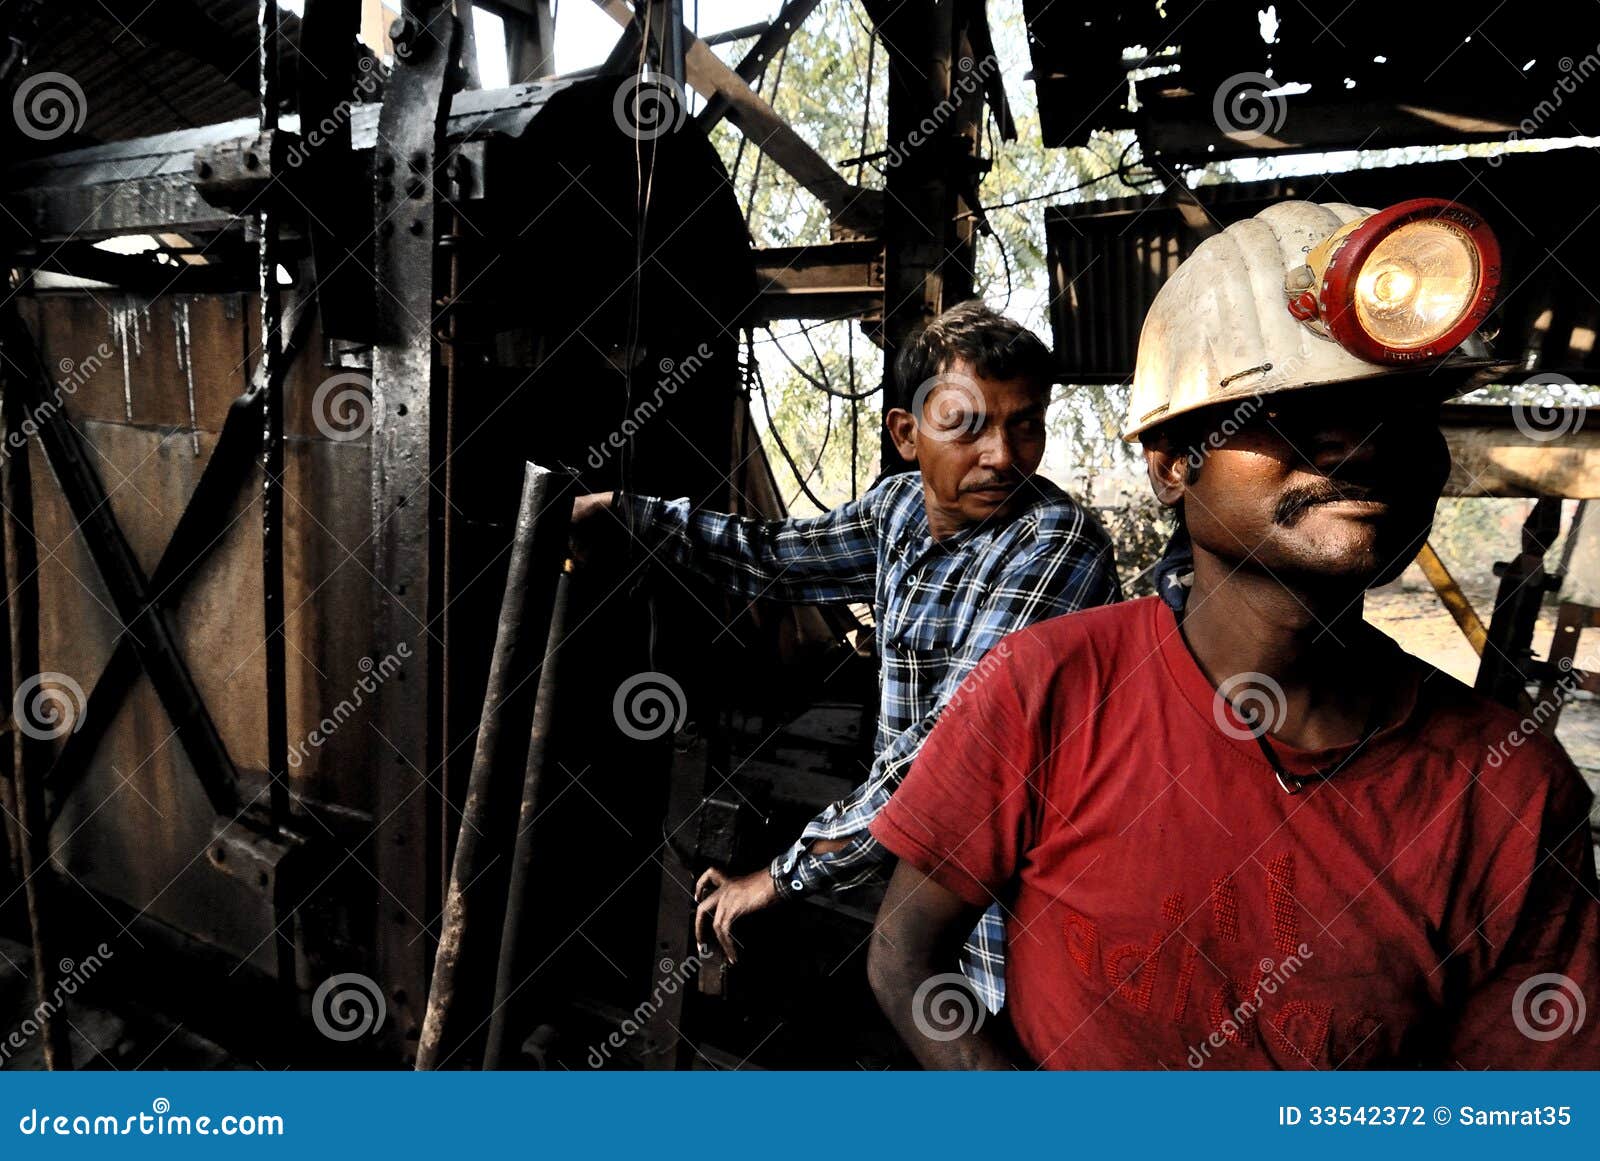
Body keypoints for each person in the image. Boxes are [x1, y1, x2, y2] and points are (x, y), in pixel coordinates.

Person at [867, 199, 1600, 1069]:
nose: (1355, 443)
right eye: (1287, 409)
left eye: (1392, 411)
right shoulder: (1046, 686)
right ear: (1173, 462)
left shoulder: (1509, 787)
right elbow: (905, 953)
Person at [570, 301, 1120, 1005]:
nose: (1002, 455)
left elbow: (949, 755)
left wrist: (781, 874)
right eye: (968, 425)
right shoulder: (898, 512)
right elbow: (770, 558)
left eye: (1026, 425)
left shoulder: (1053, 544)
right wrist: (626, 511)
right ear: (905, 433)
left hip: (1031, 916)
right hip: (943, 901)